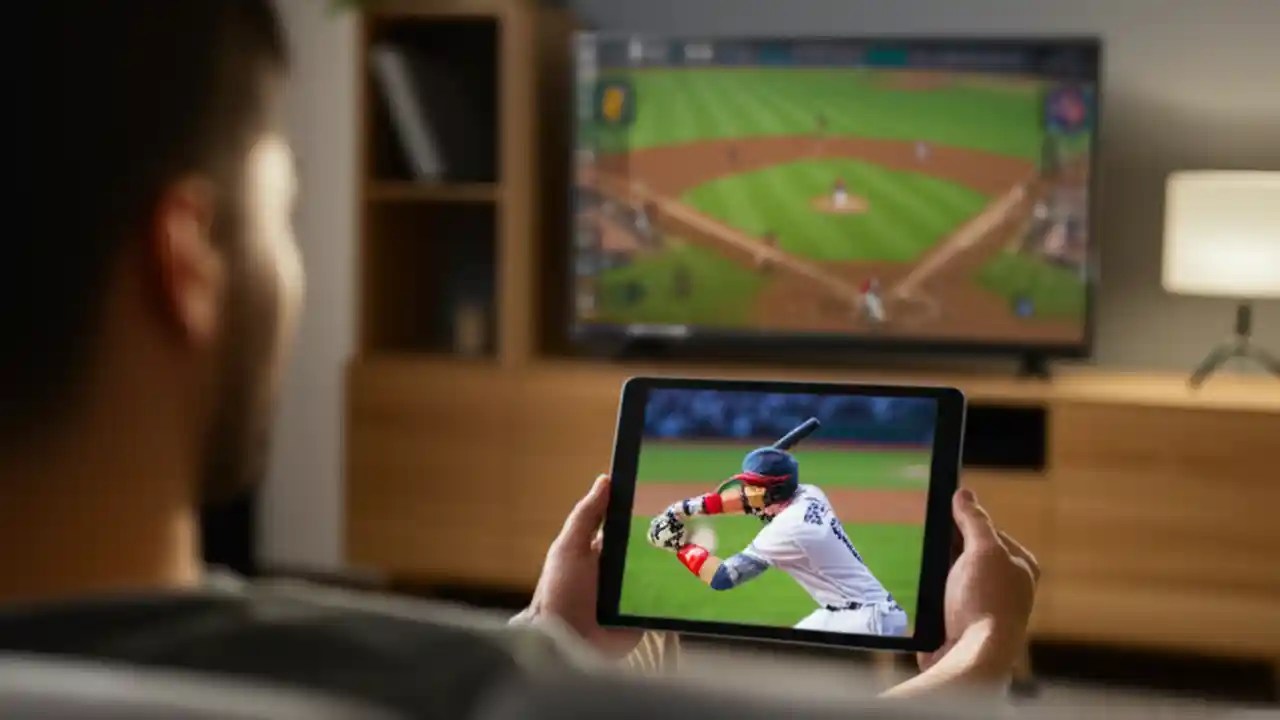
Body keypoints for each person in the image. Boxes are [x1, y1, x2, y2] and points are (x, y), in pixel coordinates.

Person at [2, 2, 1039, 717]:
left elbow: (713, 559)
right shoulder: (479, 697)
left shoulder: (478, 674)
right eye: (284, 212)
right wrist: (982, 660)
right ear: (186, 263)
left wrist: (545, 629)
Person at [646, 447, 909, 636]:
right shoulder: (808, 492)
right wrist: (683, 508)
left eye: (753, 487)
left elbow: (722, 578)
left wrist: (680, 545)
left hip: (866, 620)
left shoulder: (788, 529)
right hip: (851, 611)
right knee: (785, 652)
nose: (746, 493)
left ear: (774, 492)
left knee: (792, 667)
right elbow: (745, 500)